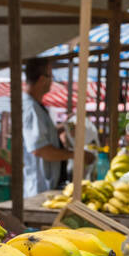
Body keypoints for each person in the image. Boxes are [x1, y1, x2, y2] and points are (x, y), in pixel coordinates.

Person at [20, 58, 88, 197]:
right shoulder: (31, 108)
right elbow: (39, 149)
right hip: (39, 189)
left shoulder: (37, 107)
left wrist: (64, 126)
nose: (52, 81)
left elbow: (42, 136)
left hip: (45, 186)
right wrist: (77, 155)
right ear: (42, 79)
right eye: (50, 76)